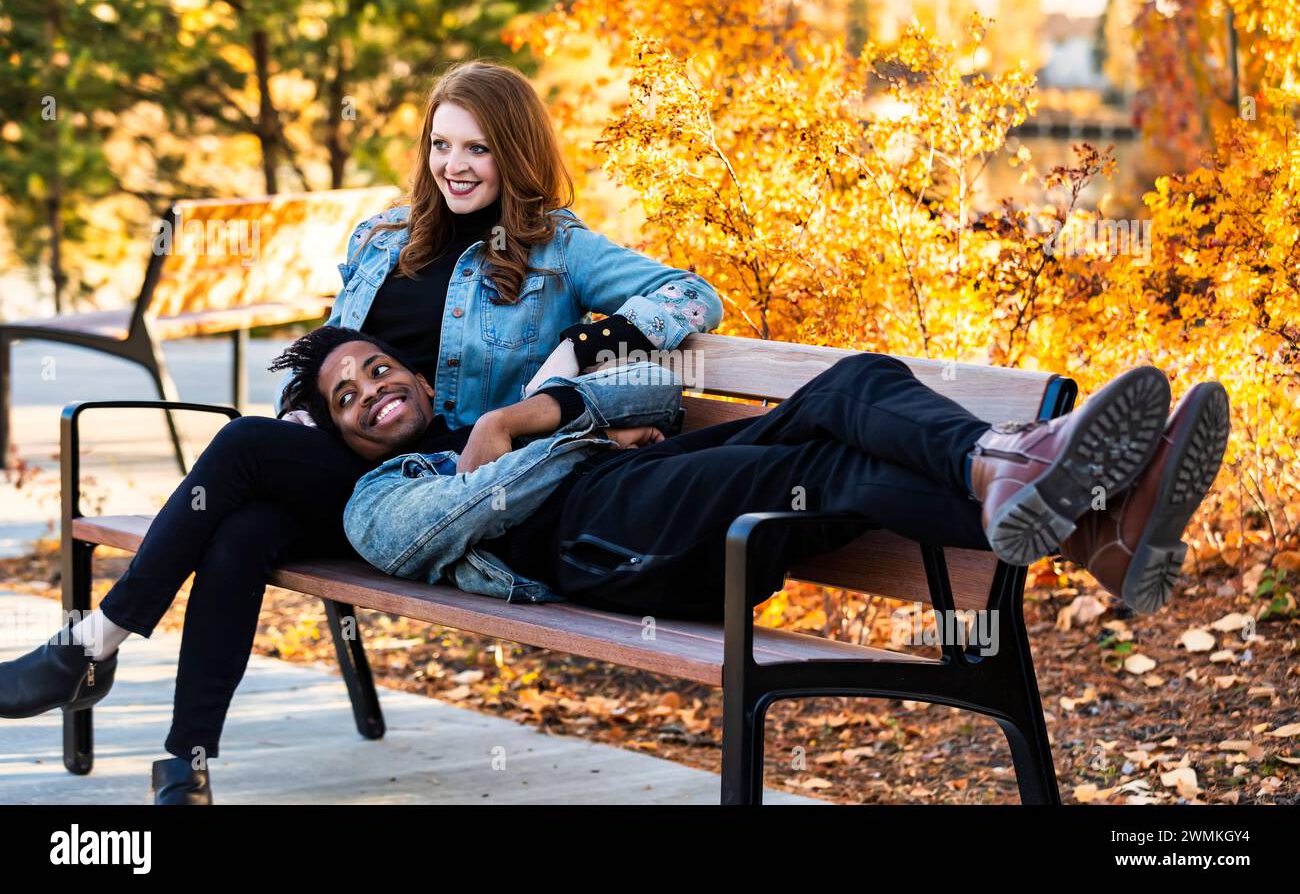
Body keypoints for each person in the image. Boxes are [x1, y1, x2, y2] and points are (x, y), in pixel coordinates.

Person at [0, 59, 724, 804]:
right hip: (345, 466)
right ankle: (185, 767)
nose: (455, 165)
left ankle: (94, 647)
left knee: (244, 449)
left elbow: (693, 296)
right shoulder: (383, 237)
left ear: (515, 151)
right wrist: (300, 404)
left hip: (440, 483)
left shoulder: (559, 250)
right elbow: (328, 346)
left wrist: (579, 351)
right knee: (243, 530)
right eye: (442, 145)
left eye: (477, 148)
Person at [300, 325, 1229, 631]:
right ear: (342, 436)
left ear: (418, 377)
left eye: (379, 370)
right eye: (347, 398)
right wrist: (566, 440)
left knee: (856, 381)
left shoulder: (488, 414)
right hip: (597, 548)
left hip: (633, 491)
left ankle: (1025, 479)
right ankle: (1070, 511)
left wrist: (514, 417)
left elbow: (658, 393)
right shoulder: (374, 498)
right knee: (819, 464)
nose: (372, 391)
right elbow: (444, 526)